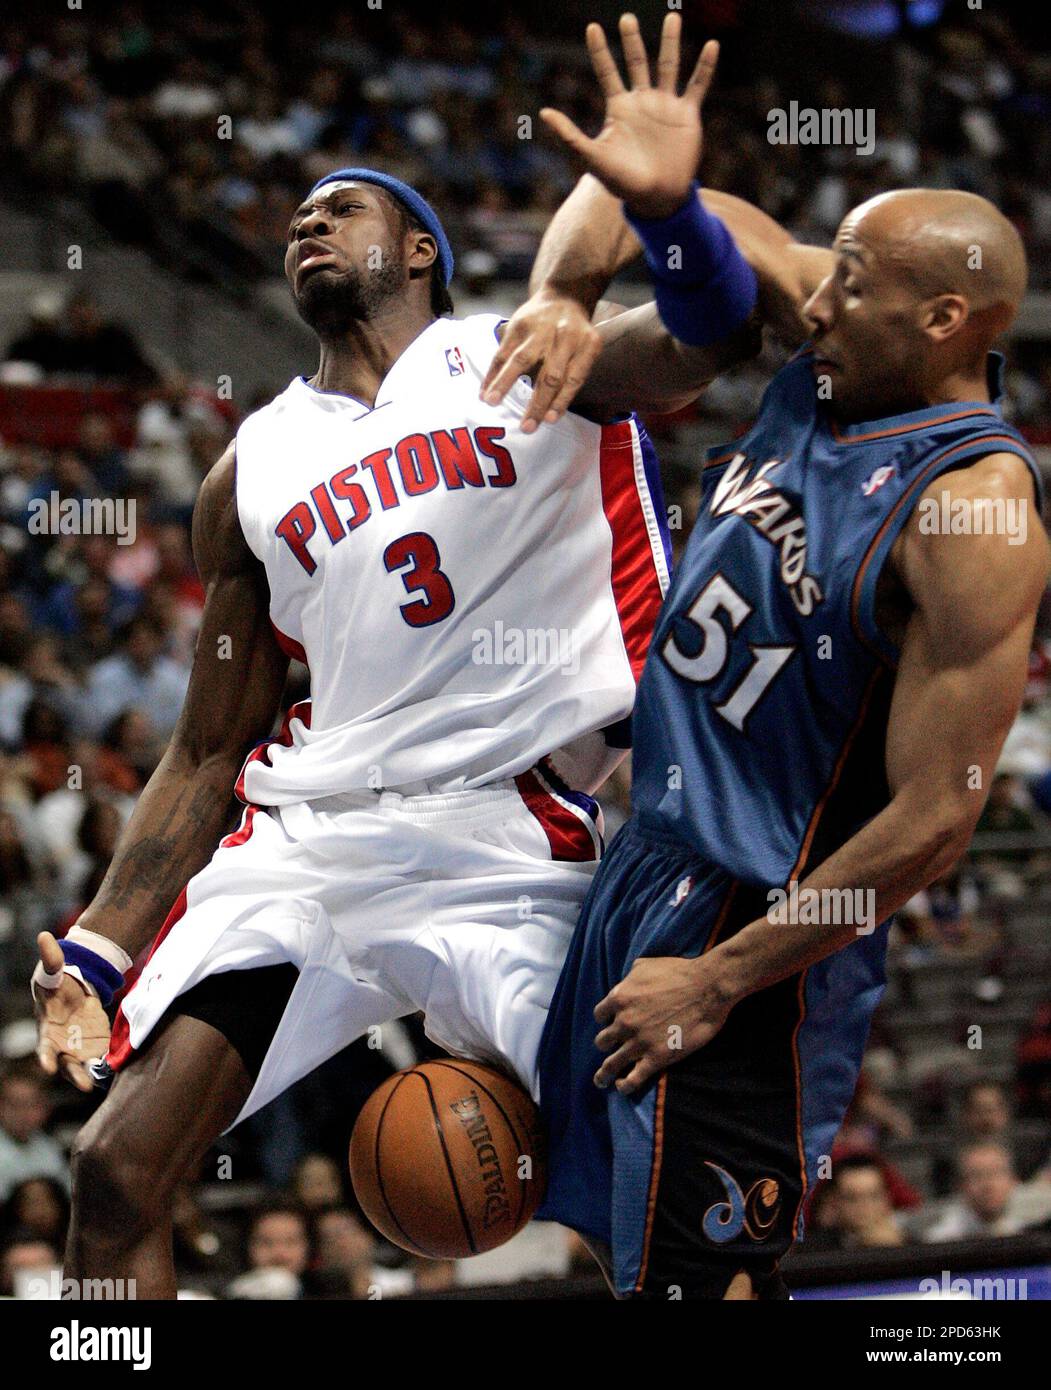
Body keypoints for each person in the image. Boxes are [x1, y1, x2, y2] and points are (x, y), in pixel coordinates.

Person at [34, 136, 756, 1295]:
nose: (307, 224)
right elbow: (210, 743)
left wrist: (668, 216)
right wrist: (101, 944)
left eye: (344, 207)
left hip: (505, 837)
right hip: (315, 845)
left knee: (653, 1177)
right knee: (115, 1170)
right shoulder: (252, 464)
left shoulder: (523, 351)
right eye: (297, 217)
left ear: (420, 248)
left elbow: (715, 335)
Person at [484, 15, 1048, 1298]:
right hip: (649, 865)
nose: (820, 295)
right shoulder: (846, 344)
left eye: (853, 282)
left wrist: (726, 979)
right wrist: (572, 283)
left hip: (758, 932)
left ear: (949, 317)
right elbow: (676, 206)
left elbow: (932, 825)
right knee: (630, 1263)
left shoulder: (974, 519)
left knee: (709, 1280)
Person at [0, 1064, 68, 1203]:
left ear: (44, 1109)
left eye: (31, 1105)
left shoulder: (50, 1149)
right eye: (14, 1104)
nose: (22, 1114)